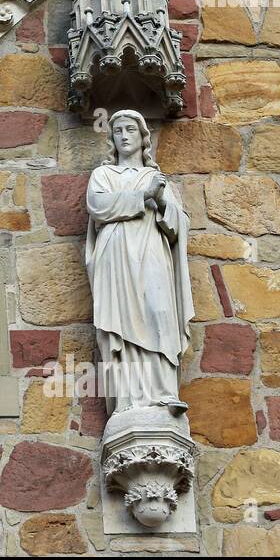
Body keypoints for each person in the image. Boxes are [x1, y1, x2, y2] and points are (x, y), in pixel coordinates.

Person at [84, 109, 194, 416]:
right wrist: (140, 197)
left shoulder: (155, 179)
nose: (124, 136)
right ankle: (129, 399)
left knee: (158, 311)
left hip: (150, 251)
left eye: (130, 130)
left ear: (142, 137)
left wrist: (158, 200)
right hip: (115, 256)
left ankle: (163, 392)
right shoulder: (103, 175)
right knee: (120, 323)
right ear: (113, 139)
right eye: (118, 131)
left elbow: (177, 226)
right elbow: (98, 206)